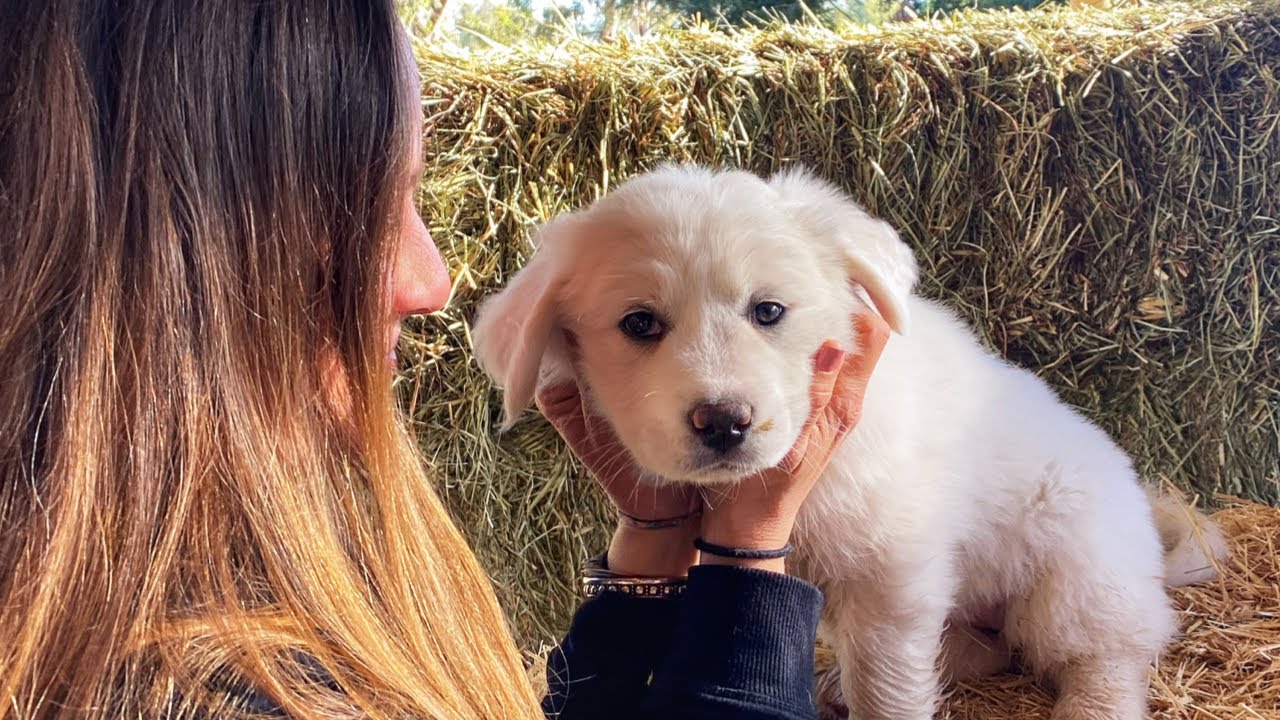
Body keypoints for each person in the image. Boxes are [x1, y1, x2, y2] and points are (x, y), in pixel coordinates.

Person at [0, 1, 888, 718]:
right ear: (158, 252)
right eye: (362, 206)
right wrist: (747, 559)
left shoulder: (188, 588)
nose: (432, 281)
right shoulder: (209, 688)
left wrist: (653, 546)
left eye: (415, 195)